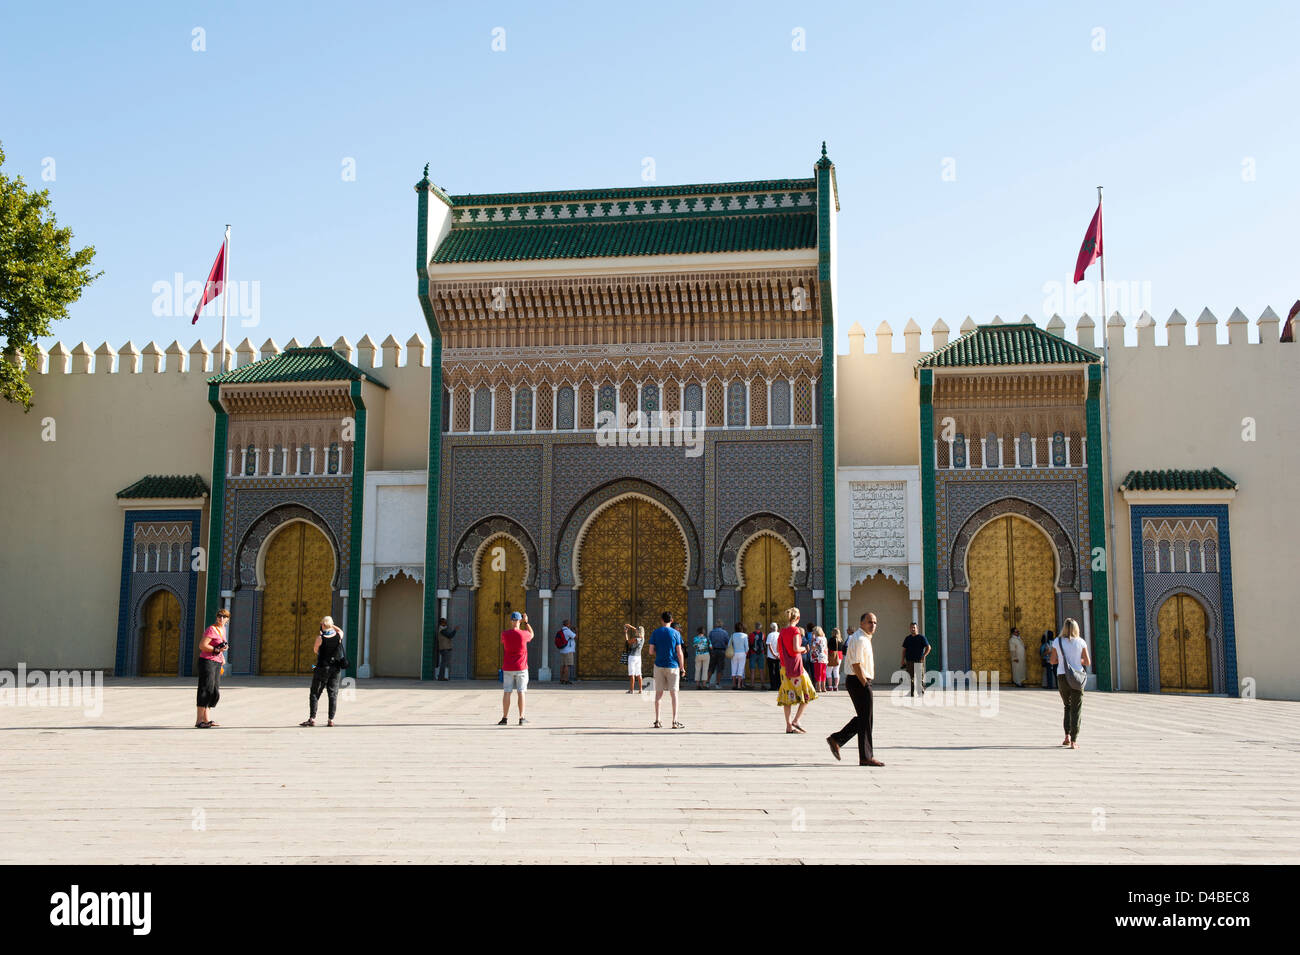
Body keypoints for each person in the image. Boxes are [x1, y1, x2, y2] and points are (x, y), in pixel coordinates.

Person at [826, 612, 885, 766]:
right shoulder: (859, 639)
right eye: (869, 622)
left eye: (875, 622)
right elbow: (856, 664)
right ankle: (865, 756)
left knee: (865, 717)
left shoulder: (864, 638)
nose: (873, 625)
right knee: (866, 718)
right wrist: (865, 683)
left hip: (859, 680)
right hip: (859, 680)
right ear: (861, 623)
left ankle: (837, 739)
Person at [1049, 618, 1090, 749]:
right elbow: (1087, 662)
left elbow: (1052, 661)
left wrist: (1063, 660)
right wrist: (1078, 661)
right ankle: (1074, 740)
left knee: (1067, 706)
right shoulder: (1081, 642)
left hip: (1062, 676)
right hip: (1077, 678)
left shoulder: (1057, 641)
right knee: (1076, 708)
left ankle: (1066, 736)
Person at [776, 607, 817, 733]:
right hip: (796, 667)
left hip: (784, 667)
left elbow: (778, 649)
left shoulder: (782, 632)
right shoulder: (796, 631)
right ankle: (796, 720)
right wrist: (804, 649)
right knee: (809, 692)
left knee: (787, 696)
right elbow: (795, 648)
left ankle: (788, 725)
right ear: (798, 618)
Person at [301, 616, 346, 726]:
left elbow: (315, 650)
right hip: (335, 669)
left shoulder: (320, 638)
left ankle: (312, 718)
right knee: (333, 694)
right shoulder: (338, 636)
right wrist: (331, 625)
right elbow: (340, 630)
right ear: (331, 625)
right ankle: (331, 719)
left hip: (321, 668)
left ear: (322, 625)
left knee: (315, 693)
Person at [649, 611, 685, 729]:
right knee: (674, 694)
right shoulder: (676, 633)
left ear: (661, 620)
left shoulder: (656, 632)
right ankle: (674, 721)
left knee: (658, 694)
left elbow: (650, 651)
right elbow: (679, 652)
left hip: (659, 665)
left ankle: (657, 720)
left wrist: (658, 653)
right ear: (672, 620)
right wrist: (682, 667)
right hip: (673, 666)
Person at [195, 608, 230, 728]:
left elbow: (219, 646)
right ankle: (199, 721)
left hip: (216, 662)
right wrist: (216, 650)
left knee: (213, 691)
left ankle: (207, 719)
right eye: (219, 616)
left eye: (224, 617)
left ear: (227, 619)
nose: (221, 618)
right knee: (205, 689)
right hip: (207, 662)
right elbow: (202, 645)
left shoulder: (222, 629)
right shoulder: (211, 629)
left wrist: (222, 654)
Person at [498, 611, 533, 725]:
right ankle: (521, 717)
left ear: (511, 621)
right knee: (521, 692)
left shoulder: (505, 634)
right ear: (519, 621)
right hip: (521, 667)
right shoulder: (524, 634)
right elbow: (532, 634)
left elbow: (503, 642)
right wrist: (526, 622)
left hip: (508, 667)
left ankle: (504, 718)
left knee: (507, 692)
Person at [900, 622, 930, 697]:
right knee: (910, 678)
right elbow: (904, 650)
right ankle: (911, 692)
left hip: (918, 660)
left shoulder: (921, 637)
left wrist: (924, 655)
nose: (913, 629)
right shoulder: (907, 638)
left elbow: (928, 647)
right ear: (910, 628)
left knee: (919, 677)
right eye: (912, 627)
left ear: (917, 628)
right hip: (909, 661)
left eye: (914, 627)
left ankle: (921, 692)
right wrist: (902, 660)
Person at [624, 623, 645, 694]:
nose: (635, 631)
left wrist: (626, 633)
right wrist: (631, 626)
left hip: (632, 657)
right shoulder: (643, 639)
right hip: (639, 657)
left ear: (638, 632)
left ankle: (631, 690)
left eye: (636, 631)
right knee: (639, 674)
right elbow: (637, 630)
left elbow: (628, 642)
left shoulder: (635, 639)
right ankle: (640, 689)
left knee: (632, 674)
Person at [707, 622, 730, 687]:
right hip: (722, 651)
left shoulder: (711, 632)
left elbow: (709, 642)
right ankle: (717, 684)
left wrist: (711, 649)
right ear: (721, 625)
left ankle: (707, 682)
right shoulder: (725, 633)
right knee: (720, 668)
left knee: (711, 667)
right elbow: (727, 642)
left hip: (713, 651)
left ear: (715, 626)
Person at [728, 622, 748, 689]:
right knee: (741, 669)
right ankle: (739, 685)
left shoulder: (733, 635)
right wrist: (746, 653)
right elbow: (747, 647)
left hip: (734, 653)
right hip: (742, 653)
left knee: (734, 668)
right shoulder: (745, 635)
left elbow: (729, 645)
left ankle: (733, 684)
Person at [557, 619, 577, 684]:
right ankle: (566, 679)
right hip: (568, 651)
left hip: (563, 650)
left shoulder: (562, 630)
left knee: (563, 665)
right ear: (568, 624)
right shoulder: (568, 631)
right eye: (569, 623)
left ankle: (561, 679)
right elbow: (576, 637)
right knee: (567, 665)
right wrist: (576, 630)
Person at [810, 626, 829, 692]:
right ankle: (824, 687)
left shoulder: (816, 639)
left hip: (817, 657)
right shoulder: (824, 638)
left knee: (818, 672)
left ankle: (818, 688)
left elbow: (813, 647)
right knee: (823, 672)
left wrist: (812, 640)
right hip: (824, 657)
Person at [747, 622, 765, 689]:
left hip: (753, 653)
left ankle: (752, 684)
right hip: (761, 653)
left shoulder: (751, 634)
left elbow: (750, 643)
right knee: (761, 670)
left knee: (752, 670)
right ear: (760, 627)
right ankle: (762, 684)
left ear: (755, 627)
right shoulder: (763, 634)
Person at [765, 622, 781, 691]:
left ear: (771, 628)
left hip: (771, 656)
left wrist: (773, 654)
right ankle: (779, 685)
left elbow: (769, 645)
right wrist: (779, 654)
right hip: (778, 656)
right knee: (778, 671)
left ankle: (773, 686)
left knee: (771, 672)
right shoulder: (779, 635)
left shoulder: (770, 635)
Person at [827, 627, 844, 692]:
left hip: (832, 655)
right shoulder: (841, 640)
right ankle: (836, 687)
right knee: (836, 671)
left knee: (829, 671)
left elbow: (828, 647)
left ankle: (830, 686)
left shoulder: (831, 639)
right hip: (839, 656)